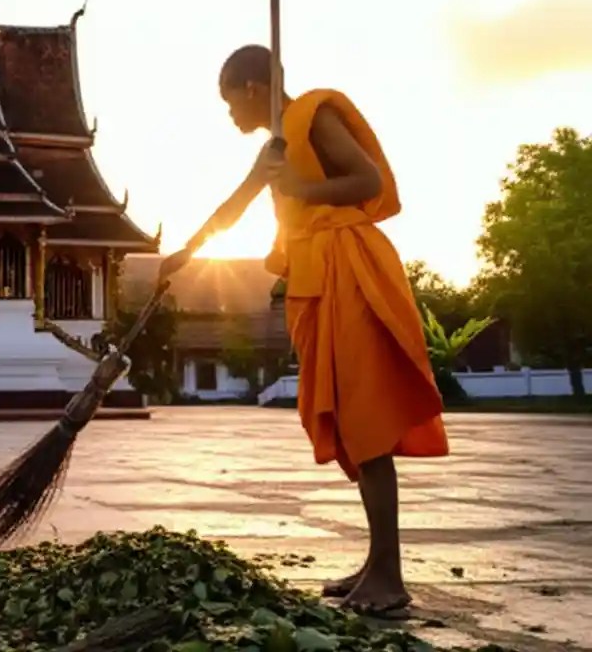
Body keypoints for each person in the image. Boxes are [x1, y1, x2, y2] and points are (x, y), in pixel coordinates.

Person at [158, 44, 449, 618]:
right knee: (345, 416)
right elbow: (235, 206)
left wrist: (299, 186)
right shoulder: (274, 147)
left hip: (352, 267)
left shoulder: (313, 115)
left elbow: (365, 179)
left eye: (228, 101)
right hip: (317, 277)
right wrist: (188, 253)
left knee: (367, 418)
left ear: (250, 88)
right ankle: (375, 563)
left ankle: (389, 578)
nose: (229, 116)